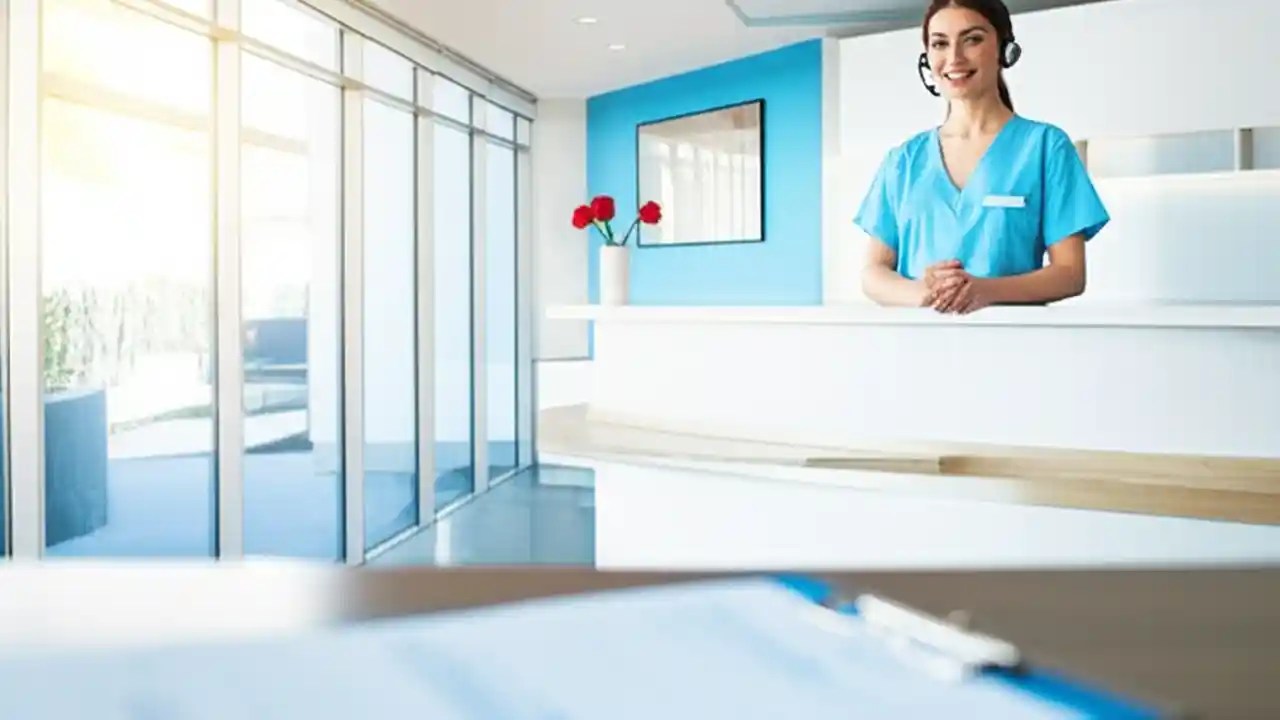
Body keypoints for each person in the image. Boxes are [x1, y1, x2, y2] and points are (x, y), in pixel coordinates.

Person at [854, 0, 1110, 313]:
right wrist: (924, 292)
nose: (954, 57)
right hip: (914, 348)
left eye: (972, 39)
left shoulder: (1046, 147)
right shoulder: (904, 161)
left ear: (1005, 49)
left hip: (1013, 347)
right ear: (927, 58)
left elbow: (1070, 274)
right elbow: (873, 275)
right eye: (939, 44)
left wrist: (985, 290)